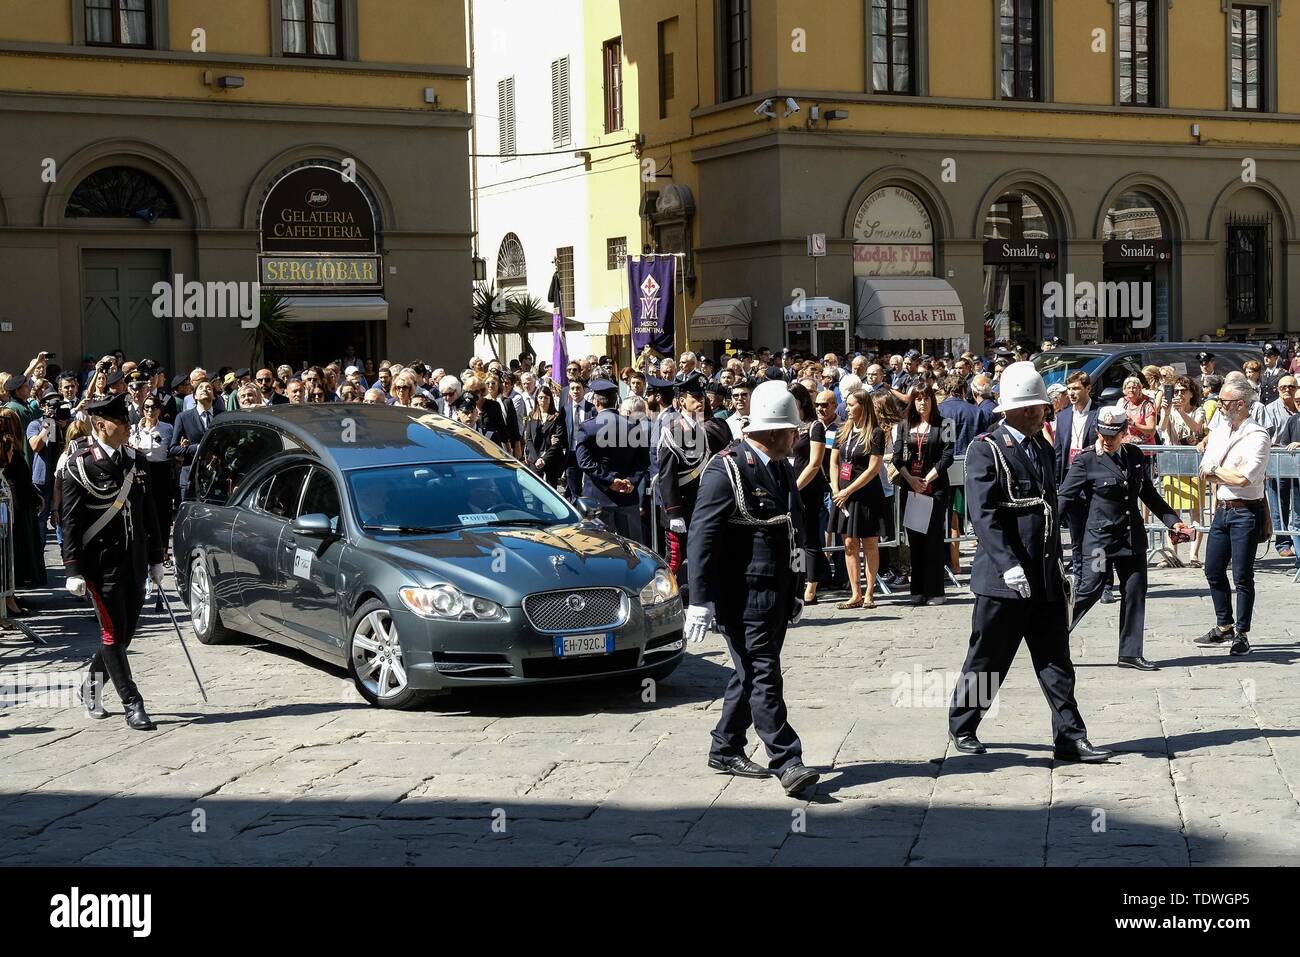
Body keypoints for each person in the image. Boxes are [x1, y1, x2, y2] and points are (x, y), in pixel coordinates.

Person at [947, 361, 1113, 763]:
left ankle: (1070, 737)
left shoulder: (1041, 445)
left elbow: (1049, 507)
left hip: (1043, 574)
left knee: (1056, 658)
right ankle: (964, 724)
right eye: (1039, 408)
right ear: (1020, 410)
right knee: (989, 657)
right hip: (1004, 577)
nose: (1046, 412)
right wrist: (1007, 563)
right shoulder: (985, 449)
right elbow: (983, 514)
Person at [685, 380, 820, 797]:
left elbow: (795, 528)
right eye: (793, 430)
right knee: (765, 674)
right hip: (740, 595)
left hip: (776, 591)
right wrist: (700, 600)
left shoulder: (780, 466)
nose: (797, 436)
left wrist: (799, 584)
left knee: (750, 672)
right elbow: (701, 538)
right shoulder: (725, 469)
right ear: (775, 431)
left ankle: (725, 745)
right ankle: (787, 759)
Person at [60, 392, 165, 731]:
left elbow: (150, 513)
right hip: (100, 565)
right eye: (122, 423)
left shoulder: (135, 459)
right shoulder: (80, 464)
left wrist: (155, 558)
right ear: (102, 425)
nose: (129, 428)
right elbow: (71, 522)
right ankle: (133, 703)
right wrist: (73, 569)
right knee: (111, 634)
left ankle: (89, 688)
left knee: (125, 634)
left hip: (133, 562)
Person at [1058, 406, 1192, 671]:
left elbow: (1149, 494)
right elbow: (1064, 497)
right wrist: (1047, 531)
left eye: (1113, 434)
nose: (1107, 440)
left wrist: (1173, 520)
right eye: (1103, 433)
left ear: (1124, 432)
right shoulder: (1086, 460)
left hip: (1131, 539)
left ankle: (1130, 653)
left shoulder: (1134, 455)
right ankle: (1052, 638)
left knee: (1134, 592)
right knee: (1090, 589)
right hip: (1099, 541)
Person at [1195, 378, 1270, 656]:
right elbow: (1205, 468)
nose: (1219, 406)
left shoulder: (1257, 435)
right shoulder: (1220, 429)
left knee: (1242, 576)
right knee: (1213, 569)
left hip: (1246, 512)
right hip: (1222, 510)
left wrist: (1217, 470)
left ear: (1240, 404)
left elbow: (1244, 478)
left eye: (1224, 402)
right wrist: (1218, 470)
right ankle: (1223, 625)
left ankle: (1242, 633)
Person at [656, 374, 728, 577]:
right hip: (680, 506)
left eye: (702, 397)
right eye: (694, 397)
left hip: (700, 504)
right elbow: (667, 475)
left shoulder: (702, 429)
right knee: (675, 559)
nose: (700, 401)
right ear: (681, 401)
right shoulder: (672, 431)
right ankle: (664, 596)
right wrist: (674, 512)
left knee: (702, 554)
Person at [893, 386, 954, 606]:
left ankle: (935, 590)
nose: (922, 403)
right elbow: (897, 457)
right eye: (918, 399)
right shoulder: (903, 426)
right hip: (911, 488)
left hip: (934, 487)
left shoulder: (946, 423)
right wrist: (911, 480)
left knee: (934, 540)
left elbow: (948, 455)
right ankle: (917, 589)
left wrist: (927, 479)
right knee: (915, 541)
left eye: (926, 398)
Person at [828, 387, 887, 610]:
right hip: (842, 492)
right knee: (849, 543)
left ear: (863, 405)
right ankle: (855, 593)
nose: (847, 408)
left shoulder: (876, 433)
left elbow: (873, 468)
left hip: (865, 493)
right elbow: (833, 461)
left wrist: (848, 490)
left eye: (852, 404)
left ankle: (870, 592)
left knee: (870, 542)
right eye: (847, 404)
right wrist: (836, 488)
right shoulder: (842, 430)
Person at [574, 380, 649, 542]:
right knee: (633, 551)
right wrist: (631, 481)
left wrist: (609, 480)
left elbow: (584, 461)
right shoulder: (633, 425)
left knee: (599, 550)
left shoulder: (588, 427)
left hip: (598, 499)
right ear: (616, 401)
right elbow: (643, 460)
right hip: (627, 496)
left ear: (596, 402)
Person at [794, 388, 837, 604]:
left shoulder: (814, 426)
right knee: (794, 540)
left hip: (808, 488)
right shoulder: (790, 424)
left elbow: (815, 463)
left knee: (810, 537)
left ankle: (811, 585)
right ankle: (797, 579)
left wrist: (795, 487)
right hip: (789, 488)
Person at [170, 379, 218, 496]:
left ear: (214, 396)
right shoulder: (183, 417)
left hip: (216, 477)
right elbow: (173, 449)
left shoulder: (222, 415)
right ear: (195, 396)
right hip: (190, 477)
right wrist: (196, 447)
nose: (205, 389)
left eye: (208, 388)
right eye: (200, 388)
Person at [524, 386, 567, 488]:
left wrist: (544, 459)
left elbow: (558, 441)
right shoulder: (531, 415)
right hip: (535, 458)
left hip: (551, 458)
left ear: (550, 399)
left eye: (546, 397)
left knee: (552, 489)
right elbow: (528, 439)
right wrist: (536, 459)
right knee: (536, 491)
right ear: (537, 399)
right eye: (540, 397)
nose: (543, 400)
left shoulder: (557, 416)